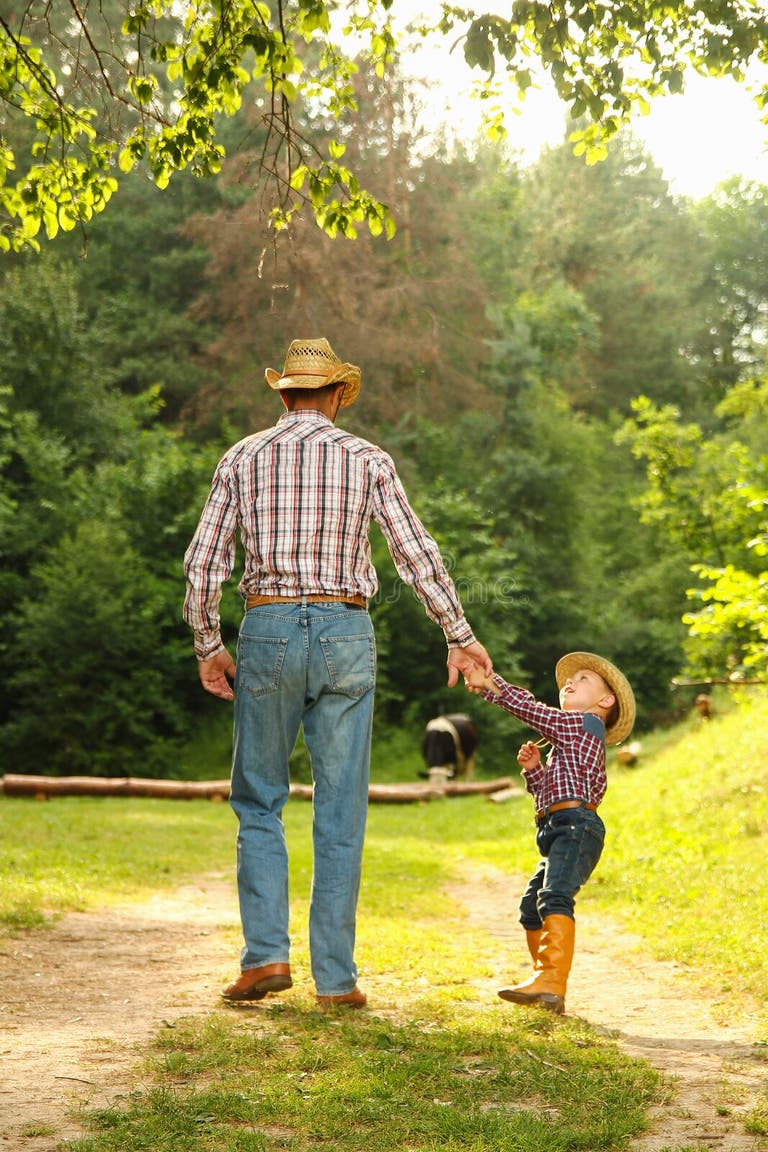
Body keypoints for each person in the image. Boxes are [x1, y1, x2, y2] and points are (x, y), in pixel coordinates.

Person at [183, 337, 492, 1009]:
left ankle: (265, 957)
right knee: (341, 805)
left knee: (259, 797)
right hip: (346, 629)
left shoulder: (242, 456)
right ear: (334, 394)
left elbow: (203, 564)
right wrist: (459, 636)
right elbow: (416, 555)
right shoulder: (366, 458)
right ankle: (336, 980)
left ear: (285, 392)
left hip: (265, 630)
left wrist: (209, 643)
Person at [465, 651, 635, 1014]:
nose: (570, 683)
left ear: (605, 701)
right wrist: (534, 771)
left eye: (584, 680)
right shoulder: (568, 744)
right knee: (532, 907)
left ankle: (552, 981)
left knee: (555, 897)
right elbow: (549, 794)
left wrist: (489, 686)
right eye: (568, 682)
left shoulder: (582, 726)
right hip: (560, 826)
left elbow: (529, 709)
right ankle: (545, 985)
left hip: (576, 827)